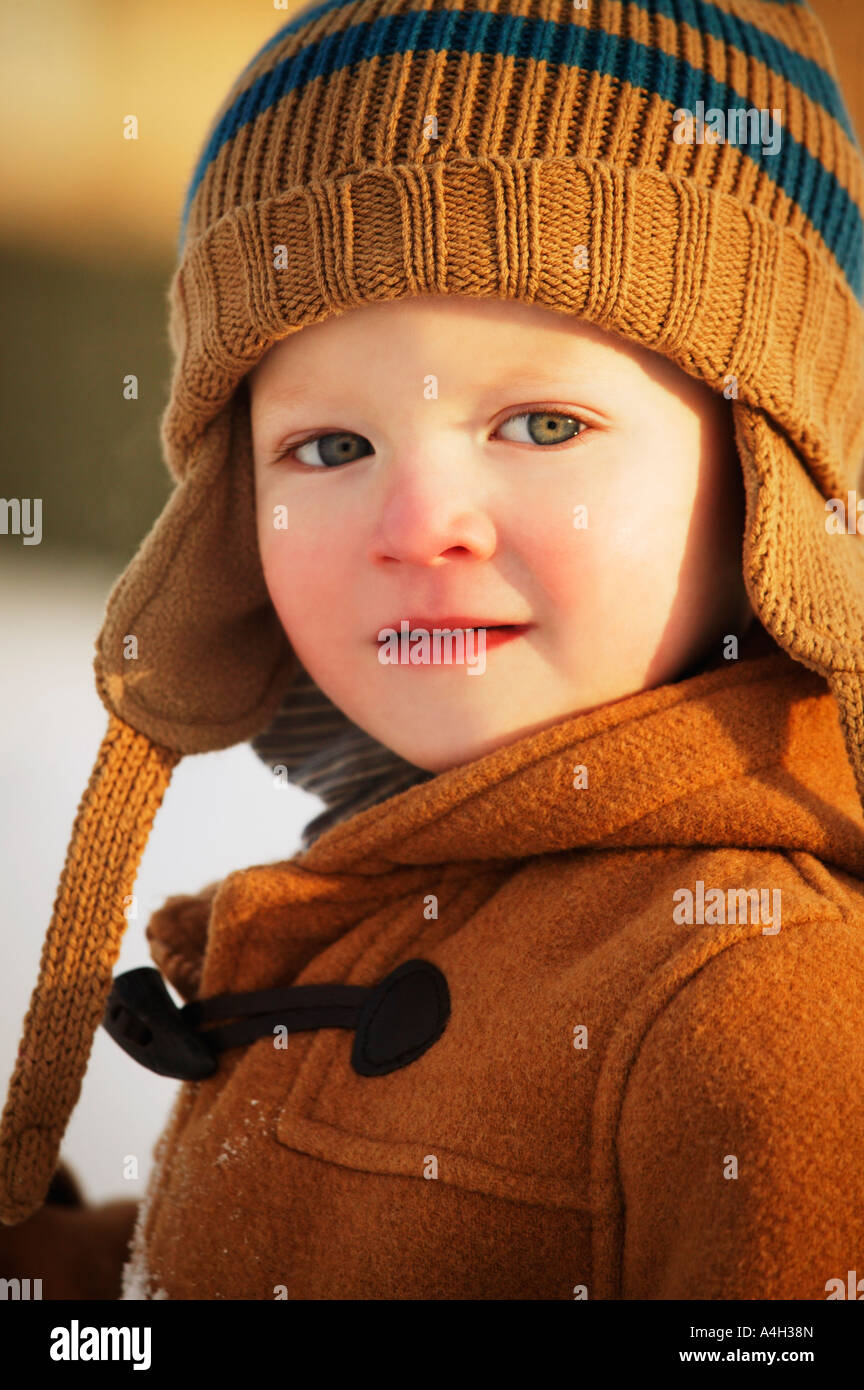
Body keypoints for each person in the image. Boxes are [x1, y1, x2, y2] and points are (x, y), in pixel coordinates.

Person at [2, 0, 864, 1300]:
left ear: (775, 472)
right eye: (331, 447)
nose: (417, 527)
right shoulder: (411, 876)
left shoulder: (758, 999)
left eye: (541, 423)